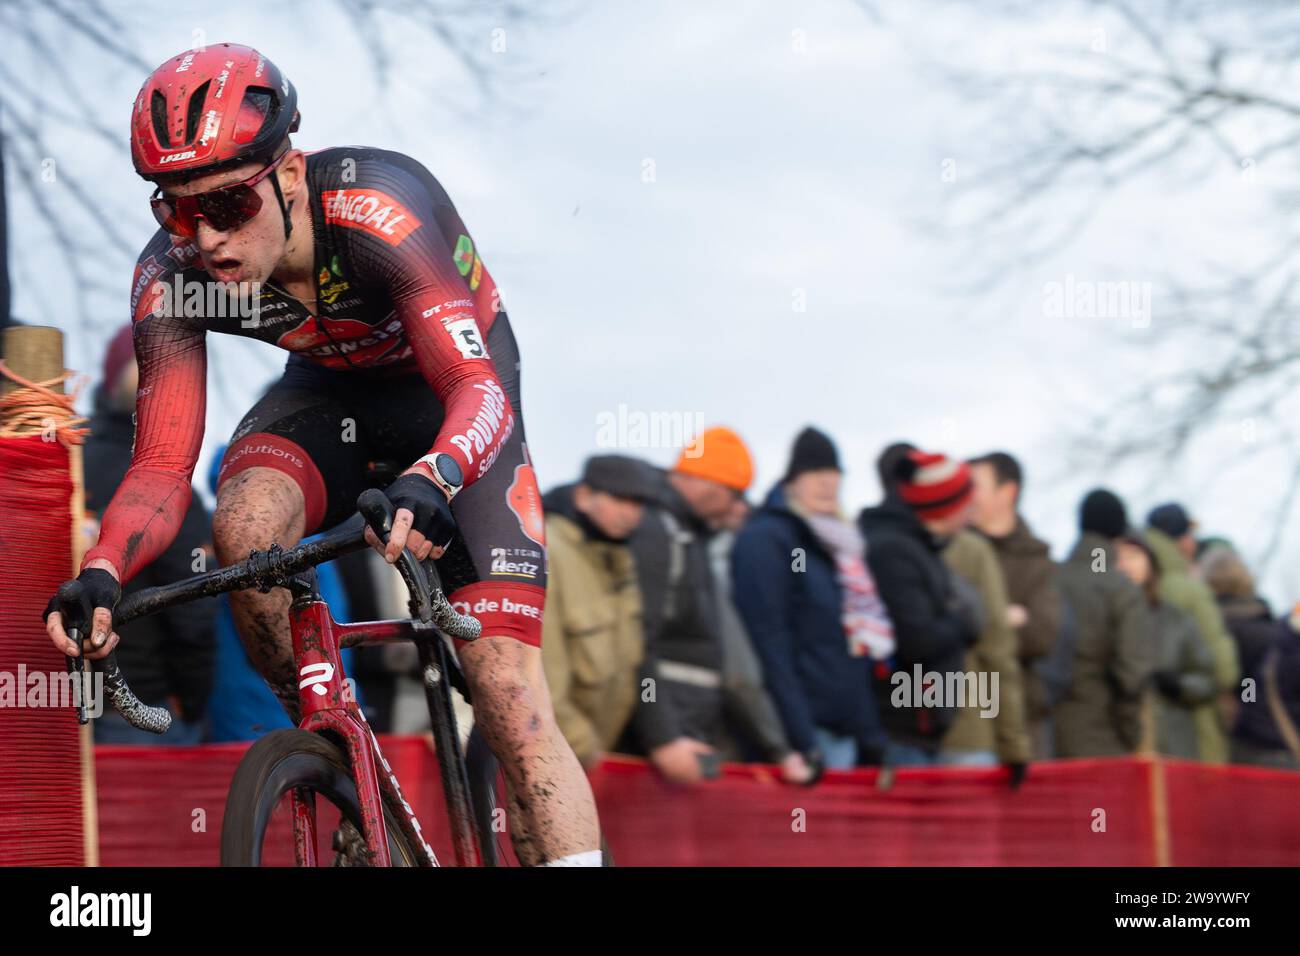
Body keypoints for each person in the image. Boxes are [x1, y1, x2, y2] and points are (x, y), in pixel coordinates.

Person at [43, 45, 598, 865]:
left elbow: (477, 388)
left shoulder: (377, 211)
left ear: (291, 176)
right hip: (326, 397)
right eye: (178, 211)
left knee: (509, 696)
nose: (208, 237)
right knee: (242, 530)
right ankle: (342, 755)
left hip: (451, 404)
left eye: (230, 203)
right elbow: (161, 468)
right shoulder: (172, 276)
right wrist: (103, 569)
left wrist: (435, 474)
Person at [83, 324, 216, 744]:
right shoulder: (167, 486)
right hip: (145, 707)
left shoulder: (67, 466)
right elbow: (192, 602)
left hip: (60, 708)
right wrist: (191, 700)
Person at [731, 427, 890, 773]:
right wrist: (801, 738)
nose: (827, 483)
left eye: (834, 473)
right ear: (792, 481)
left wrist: (869, 732)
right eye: (815, 473)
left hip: (843, 731)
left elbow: (853, 645)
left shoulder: (842, 548)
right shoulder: (771, 539)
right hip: (801, 736)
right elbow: (768, 641)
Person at [624, 426, 754, 784]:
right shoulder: (658, 529)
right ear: (710, 485)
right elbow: (636, 638)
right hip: (650, 746)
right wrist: (663, 738)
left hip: (681, 732)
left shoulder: (689, 533)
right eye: (735, 494)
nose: (738, 507)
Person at [859, 447, 984, 766]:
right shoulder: (894, 551)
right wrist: (961, 622)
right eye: (966, 505)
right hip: (903, 726)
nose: (971, 515)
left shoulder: (919, 545)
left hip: (921, 724)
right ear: (945, 509)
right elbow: (916, 639)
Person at [539, 456, 655, 770]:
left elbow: (634, 664)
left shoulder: (621, 561)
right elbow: (544, 677)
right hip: (556, 757)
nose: (630, 513)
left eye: (637, 503)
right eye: (619, 499)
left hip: (593, 754)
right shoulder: (548, 553)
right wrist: (584, 748)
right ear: (583, 496)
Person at [968, 451, 1062, 759]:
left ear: (1007, 492)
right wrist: (1006, 617)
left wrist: (985, 621)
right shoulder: (956, 549)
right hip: (965, 713)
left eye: (975, 486)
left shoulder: (1038, 558)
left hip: (1025, 716)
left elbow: (1042, 635)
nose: (966, 495)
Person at [1054, 490, 1153, 757]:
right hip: (1103, 735)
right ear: (1118, 532)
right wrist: (1131, 732)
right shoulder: (1120, 590)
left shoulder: (1051, 578)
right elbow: (1131, 674)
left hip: (1044, 734)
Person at [1145, 503, 1240, 764]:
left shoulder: (1130, 579)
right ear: (1183, 541)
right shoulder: (1190, 590)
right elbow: (1224, 670)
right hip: (1192, 723)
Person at [1114, 530, 1216, 760]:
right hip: (1118, 745)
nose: (1125, 564)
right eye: (1118, 557)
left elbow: (1208, 679)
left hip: (1171, 745)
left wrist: (1179, 685)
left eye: (1133, 555)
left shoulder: (1176, 620)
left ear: (1151, 564)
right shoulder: (1100, 619)